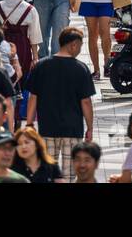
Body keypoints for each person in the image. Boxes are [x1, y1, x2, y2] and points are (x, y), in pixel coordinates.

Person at [23, 27, 96, 177]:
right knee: (69, 174)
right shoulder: (81, 69)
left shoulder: (41, 66)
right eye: (80, 46)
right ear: (73, 44)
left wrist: (29, 124)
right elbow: (86, 102)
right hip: (73, 130)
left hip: (47, 128)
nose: (79, 50)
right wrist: (90, 128)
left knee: (48, 173)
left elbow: (33, 97)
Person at [0, 0, 41, 79]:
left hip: (2, 46)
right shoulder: (30, 9)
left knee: (2, 79)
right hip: (23, 48)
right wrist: (35, 58)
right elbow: (34, 36)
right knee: (21, 78)